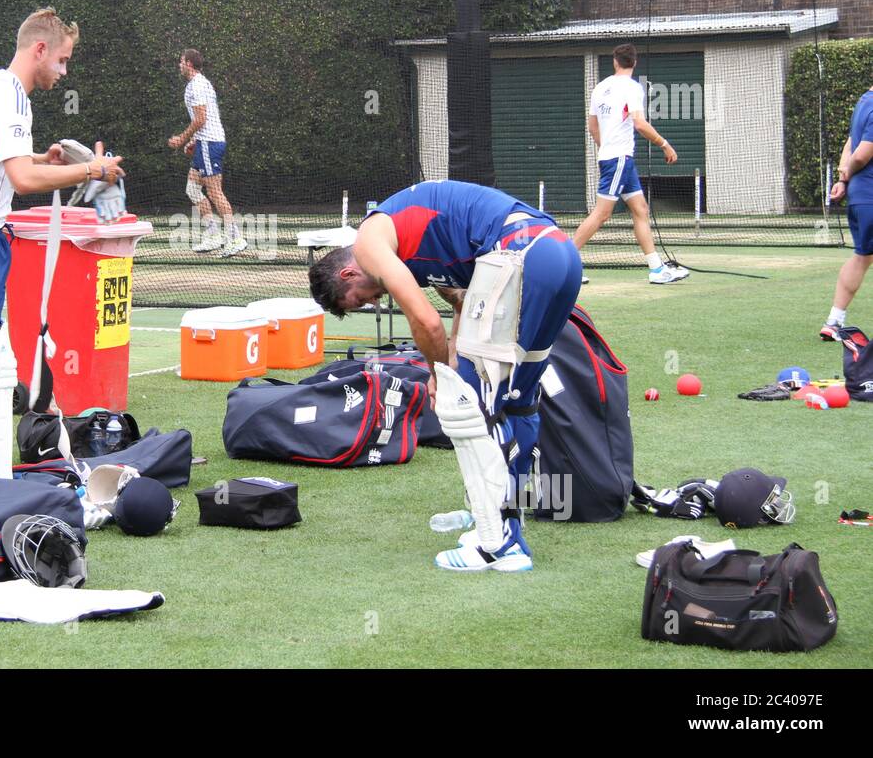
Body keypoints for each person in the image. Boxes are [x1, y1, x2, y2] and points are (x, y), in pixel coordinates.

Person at [308, 179, 582, 573]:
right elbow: (462, 300)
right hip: (558, 253)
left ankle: (496, 542)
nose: (374, 301)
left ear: (350, 273)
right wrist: (455, 356)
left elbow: (425, 321)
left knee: (470, 409)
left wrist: (441, 376)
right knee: (518, 404)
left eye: (361, 299)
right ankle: (503, 522)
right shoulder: (417, 244)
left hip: (517, 258)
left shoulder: (370, 244)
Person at [0, 8, 124, 455]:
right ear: (39, 50)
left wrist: (41, 158)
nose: (63, 71)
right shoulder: (12, 96)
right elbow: (22, 182)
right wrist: (90, 170)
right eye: (62, 60)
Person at [571, 43, 688, 284]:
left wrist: (606, 147)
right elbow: (640, 123)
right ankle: (563, 265)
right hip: (619, 160)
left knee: (641, 210)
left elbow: (593, 127)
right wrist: (664, 144)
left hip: (618, 159)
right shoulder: (632, 88)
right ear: (634, 63)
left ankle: (657, 269)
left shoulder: (600, 87)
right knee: (602, 215)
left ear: (615, 62)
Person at [168, 48, 245, 257]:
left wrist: (181, 139)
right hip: (204, 143)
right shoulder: (195, 85)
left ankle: (235, 238)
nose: (179, 64)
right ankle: (213, 236)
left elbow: (201, 119)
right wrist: (193, 141)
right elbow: (204, 119)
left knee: (214, 192)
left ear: (189, 64)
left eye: (181, 61)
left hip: (211, 144)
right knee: (192, 189)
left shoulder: (199, 85)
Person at [821, 84, 873, 340]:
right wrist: (849, 173)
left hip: (859, 196)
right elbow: (862, 154)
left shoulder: (865, 100)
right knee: (862, 258)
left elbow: (851, 143)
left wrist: (843, 179)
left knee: (861, 258)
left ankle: (834, 321)